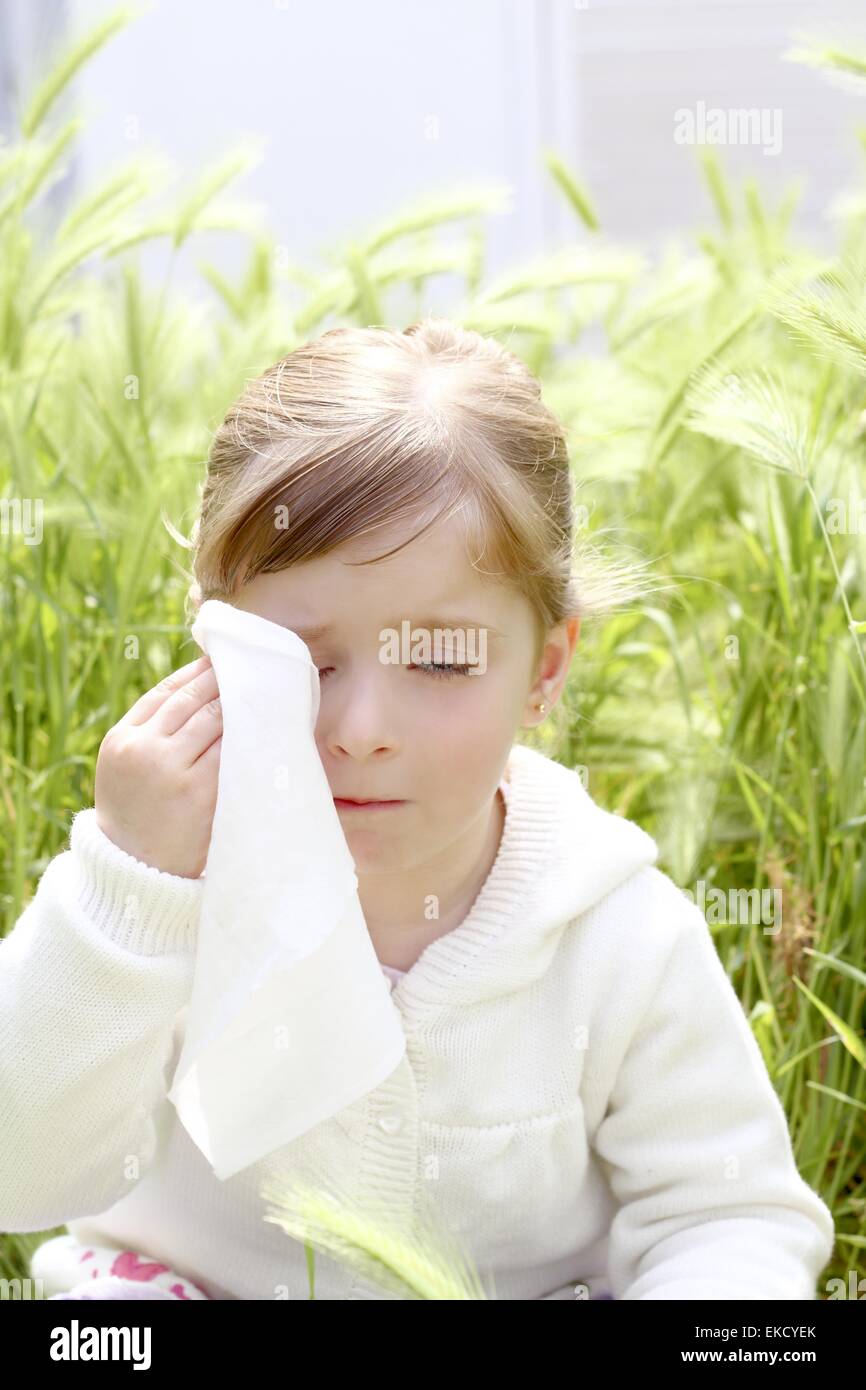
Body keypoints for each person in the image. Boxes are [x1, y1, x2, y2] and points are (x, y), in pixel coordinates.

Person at [1, 320, 835, 1300]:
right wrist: (128, 886)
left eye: (437, 660)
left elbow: (727, 1217)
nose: (360, 729)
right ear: (216, 649)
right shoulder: (166, 886)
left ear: (546, 667)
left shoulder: (614, 931)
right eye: (307, 662)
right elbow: (22, 1170)